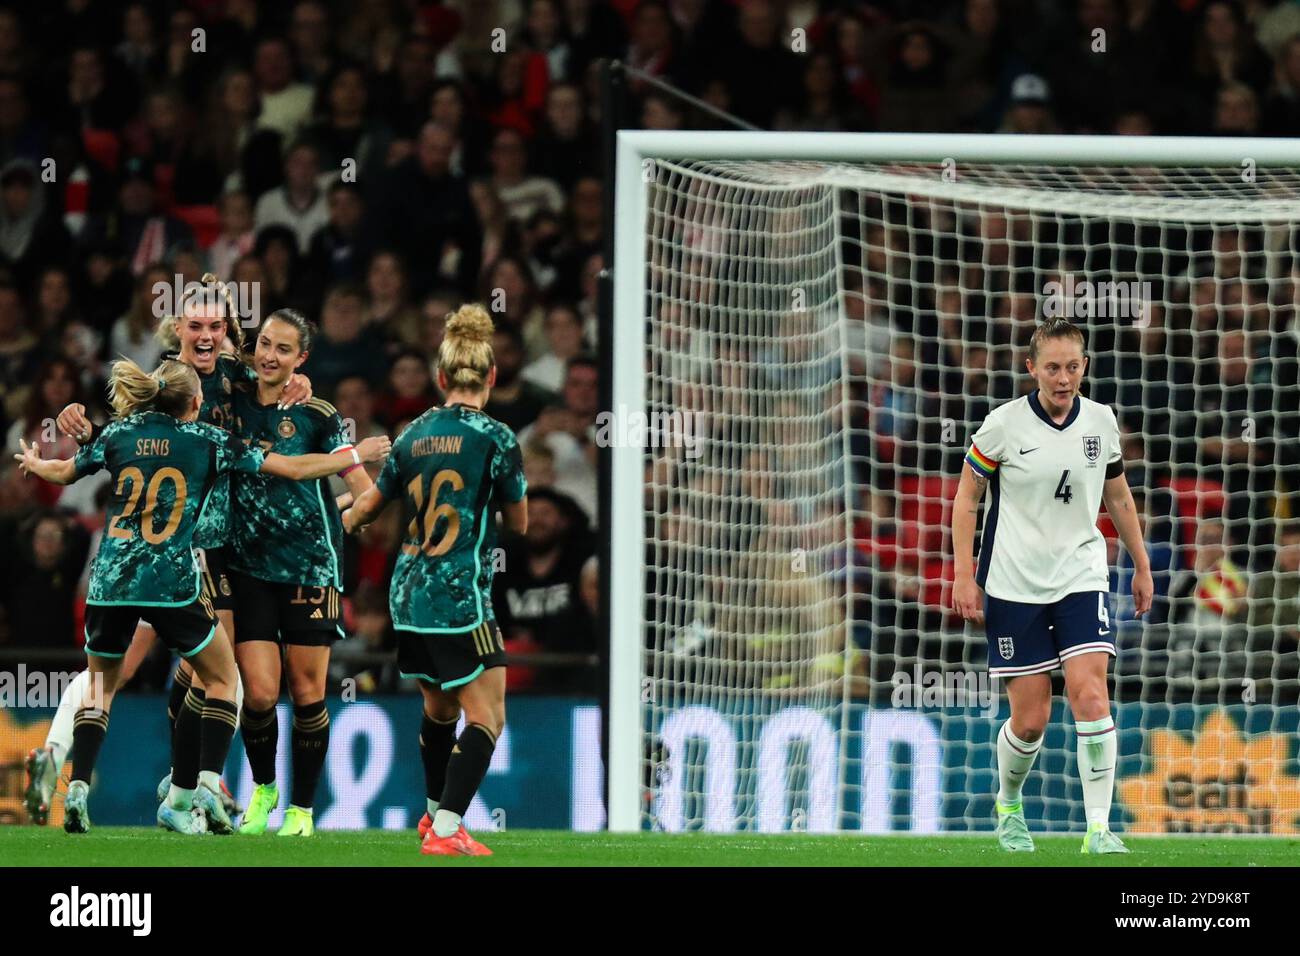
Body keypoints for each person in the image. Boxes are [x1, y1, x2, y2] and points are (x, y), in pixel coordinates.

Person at [14, 357, 388, 835]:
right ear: (195, 404)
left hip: (109, 580)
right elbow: (292, 469)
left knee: (101, 683)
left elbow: (66, 472)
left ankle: (78, 787)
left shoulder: (120, 433)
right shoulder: (207, 440)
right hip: (170, 582)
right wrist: (354, 455)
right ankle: (203, 789)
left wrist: (34, 463)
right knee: (222, 674)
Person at [950, 318, 1153, 855]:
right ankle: (1010, 805)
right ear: (1031, 368)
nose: (1064, 378)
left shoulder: (1101, 422)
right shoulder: (1003, 425)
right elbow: (966, 499)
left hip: (1080, 575)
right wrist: (963, 574)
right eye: (1053, 367)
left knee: (1090, 692)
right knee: (1031, 719)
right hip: (1013, 582)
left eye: (1073, 366)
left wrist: (1141, 563)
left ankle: (1099, 830)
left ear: (1084, 366)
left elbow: (1119, 497)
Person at [342, 304, 527, 857]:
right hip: (457, 597)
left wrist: (338, 513)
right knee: (488, 718)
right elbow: (517, 523)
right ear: (491, 378)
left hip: (406, 594)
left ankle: (431, 816)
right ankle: (447, 829)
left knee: (439, 710)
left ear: (441, 379)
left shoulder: (412, 432)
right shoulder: (496, 437)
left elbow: (367, 510)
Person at [229, 308, 382, 837]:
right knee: (262, 694)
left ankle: (302, 810)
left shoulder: (317, 413)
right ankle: (264, 789)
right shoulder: (232, 401)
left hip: (311, 566)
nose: (270, 356)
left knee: (308, 689)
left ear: (302, 359)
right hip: (247, 566)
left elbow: (363, 489)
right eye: (264, 344)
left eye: (283, 349)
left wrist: (345, 520)